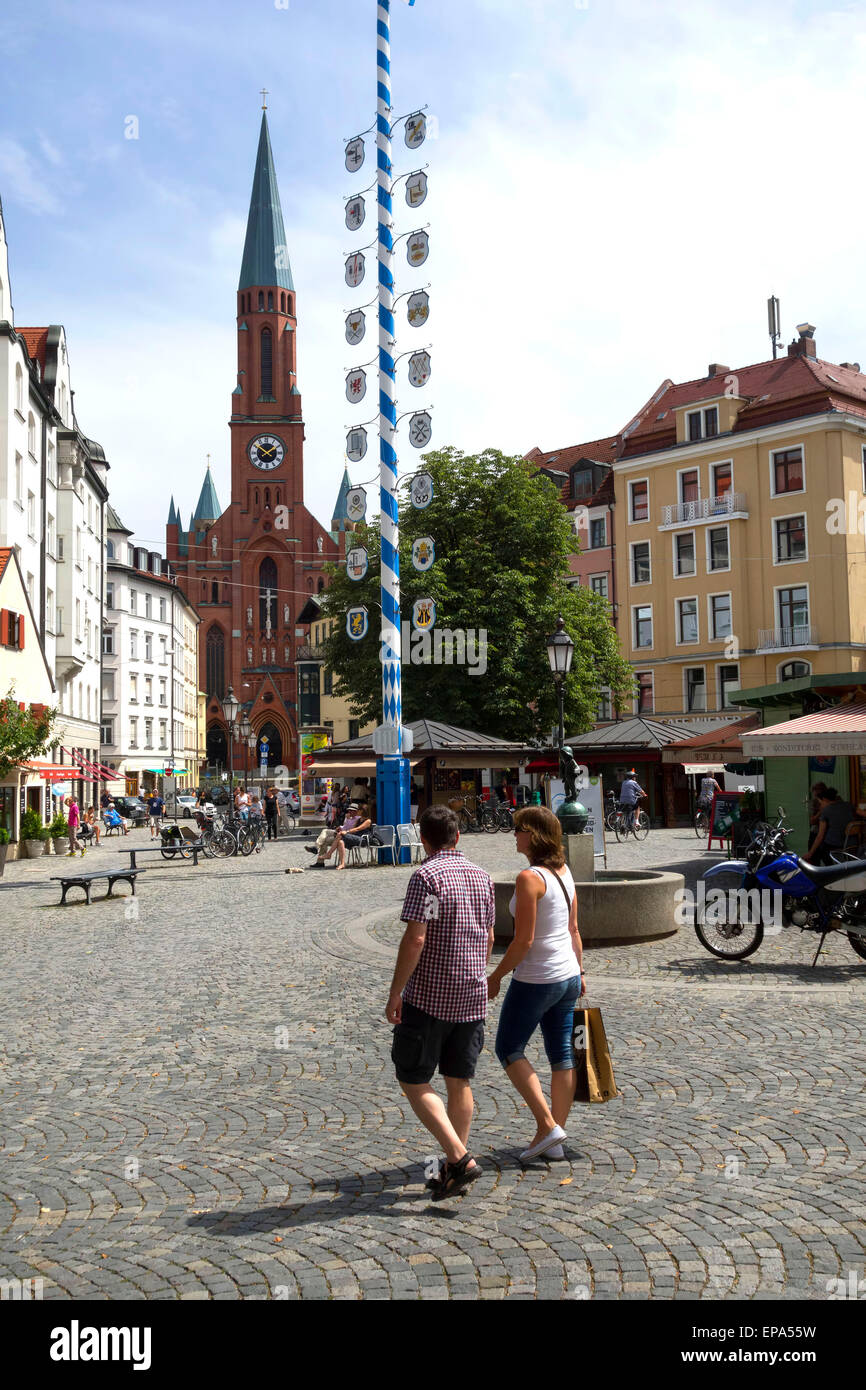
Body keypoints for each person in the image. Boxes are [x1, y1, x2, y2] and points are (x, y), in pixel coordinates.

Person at [386, 804, 495, 1201]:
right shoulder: (482, 878)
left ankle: (459, 1157)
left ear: (423, 839)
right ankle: (453, 1169)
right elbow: (486, 935)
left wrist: (396, 990)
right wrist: (476, 973)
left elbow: (417, 938)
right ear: (458, 837)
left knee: (413, 1077)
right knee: (458, 1080)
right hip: (471, 992)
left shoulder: (427, 877)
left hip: (431, 995)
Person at [488, 806, 584, 1161]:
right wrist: (581, 972)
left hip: (537, 977)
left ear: (535, 834)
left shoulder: (529, 878)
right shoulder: (564, 871)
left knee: (509, 1048)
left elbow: (523, 941)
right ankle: (553, 1142)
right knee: (560, 1055)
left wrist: (495, 976)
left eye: (518, 829)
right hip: (567, 975)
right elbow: (574, 929)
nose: (514, 834)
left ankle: (548, 1126)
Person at [807, 787, 858, 864]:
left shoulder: (826, 811)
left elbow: (820, 836)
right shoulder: (848, 805)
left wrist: (810, 853)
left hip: (835, 846)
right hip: (852, 844)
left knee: (820, 845)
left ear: (824, 799)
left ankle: (826, 870)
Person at [323, 803, 374, 869]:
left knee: (341, 834)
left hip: (363, 840)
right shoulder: (358, 820)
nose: (357, 811)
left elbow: (357, 829)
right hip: (356, 838)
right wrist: (347, 821)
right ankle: (342, 863)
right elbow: (350, 828)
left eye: (358, 810)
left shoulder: (368, 821)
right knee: (340, 842)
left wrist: (346, 832)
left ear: (362, 811)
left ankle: (329, 854)